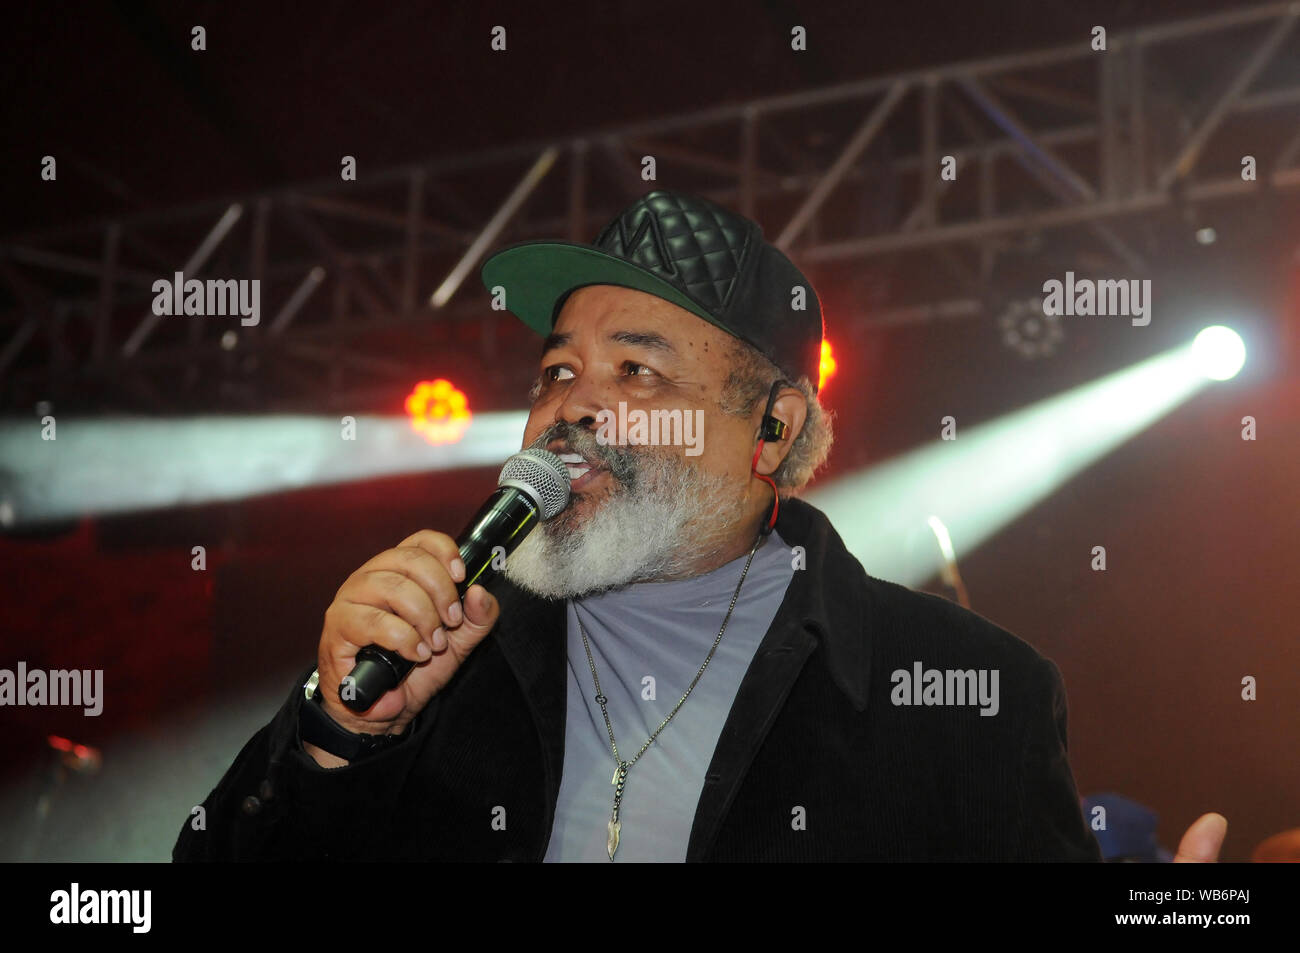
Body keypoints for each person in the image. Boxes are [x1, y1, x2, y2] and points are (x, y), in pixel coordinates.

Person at [173, 189, 1224, 862]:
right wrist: (333, 739)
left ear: (770, 427)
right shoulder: (444, 656)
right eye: (555, 371)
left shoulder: (960, 690)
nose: (569, 407)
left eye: (635, 369)